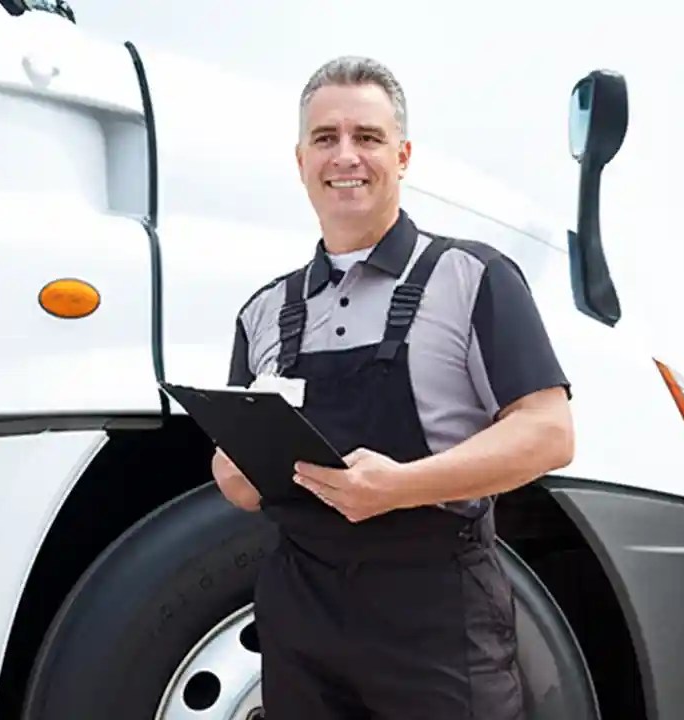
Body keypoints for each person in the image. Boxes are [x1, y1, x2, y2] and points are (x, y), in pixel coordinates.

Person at [212, 55, 575, 719]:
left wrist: (399, 487)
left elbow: (549, 433)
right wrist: (236, 467)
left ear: (402, 155)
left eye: (367, 137)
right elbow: (233, 478)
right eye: (326, 138)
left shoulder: (475, 277)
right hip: (302, 614)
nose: (345, 155)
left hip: (435, 615)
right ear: (300, 161)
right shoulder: (263, 311)